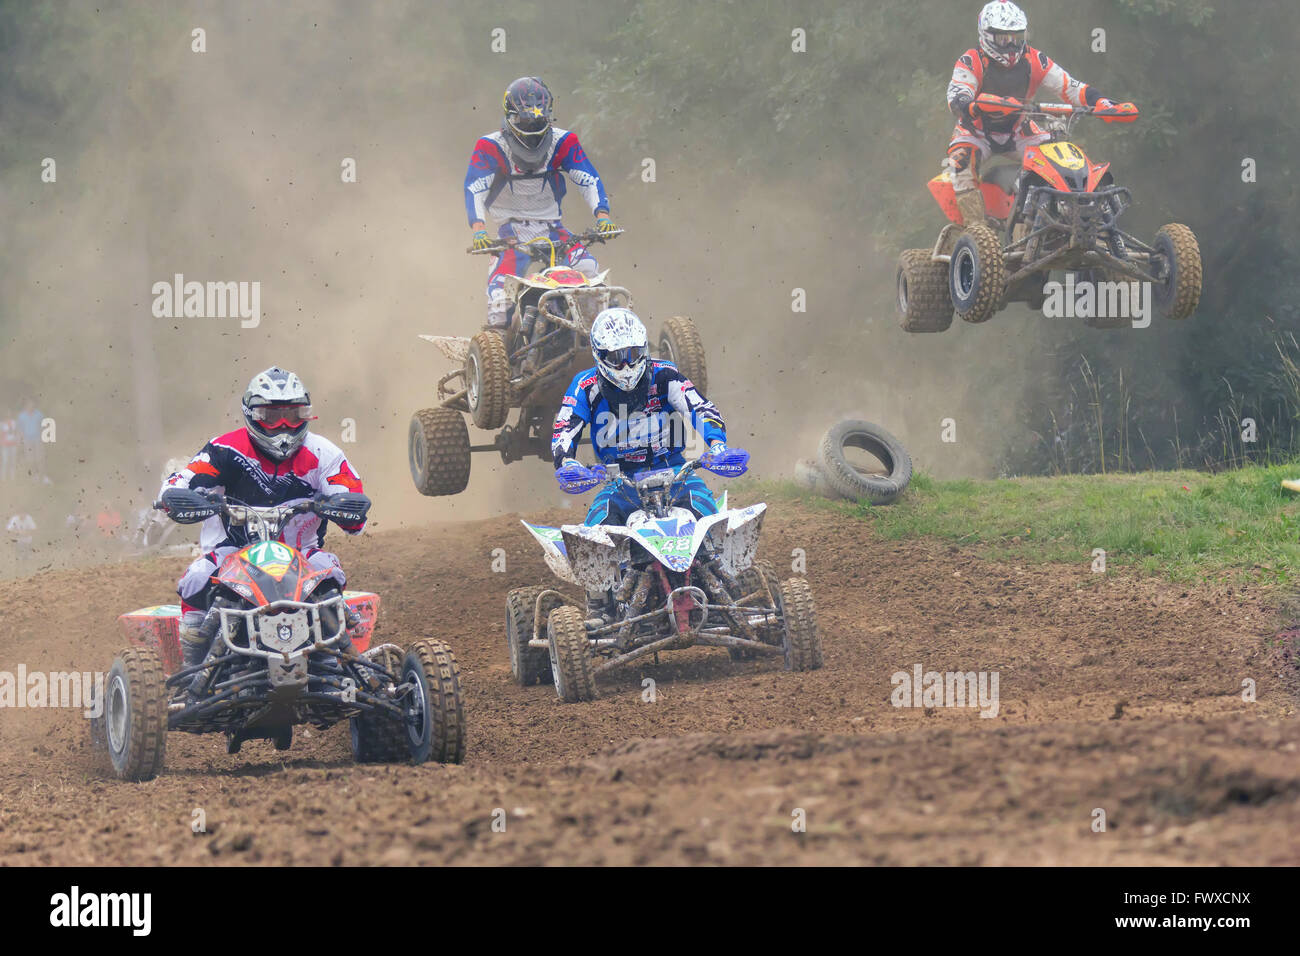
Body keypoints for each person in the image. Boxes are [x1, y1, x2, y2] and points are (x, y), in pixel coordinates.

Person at [158, 367, 368, 669]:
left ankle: (344, 667)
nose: (283, 426)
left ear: (307, 415)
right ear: (251, 415)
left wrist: (341, 505)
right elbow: (181, 481)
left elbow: (353, 506)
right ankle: (192, 672)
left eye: (293, 415)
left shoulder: (323, 453)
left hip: (303, 559)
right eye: (272, 416)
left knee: (329, 571)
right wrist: (181, 498)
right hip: (231, 556)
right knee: (197, 577)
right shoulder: (225, 449)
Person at [944, 1, 1136, 224]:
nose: (1010, 44)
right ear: (987, 35)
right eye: (1003, 38)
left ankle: (1077, 223)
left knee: (1063, 159)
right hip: (974, 131)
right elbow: (957, 95)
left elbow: (1071, 87)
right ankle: (976, 231)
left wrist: (1103, 103)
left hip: (1020, 130)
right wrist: (971, 104)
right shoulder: (971, 60)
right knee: (960, 165)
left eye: (1015, 37)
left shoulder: (1034, 59)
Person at [464, 76, 617, 329]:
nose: (532, 125)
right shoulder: (490, 146)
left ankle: (607, 339)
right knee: (499, 305)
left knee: (593, 278)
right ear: (511, 116)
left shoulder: (563, 141)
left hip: (555, 231)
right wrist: (478, 229)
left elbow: (587, 178)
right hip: (510, 237)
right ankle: (496, 355)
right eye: (525, 120)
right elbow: (474, 188)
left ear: (548, 115)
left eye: (538, 119)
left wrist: (602, 215)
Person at [0, 409, 17, 482]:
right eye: (6, 413)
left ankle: (12, 478)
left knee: (13, 461)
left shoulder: (14, 422)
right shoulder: (1, 423)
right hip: (4, 445)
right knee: (5, 461)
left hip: (13, 444)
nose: (8, 414)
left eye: (9, 413)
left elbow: (16, 432)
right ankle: (3, 478)